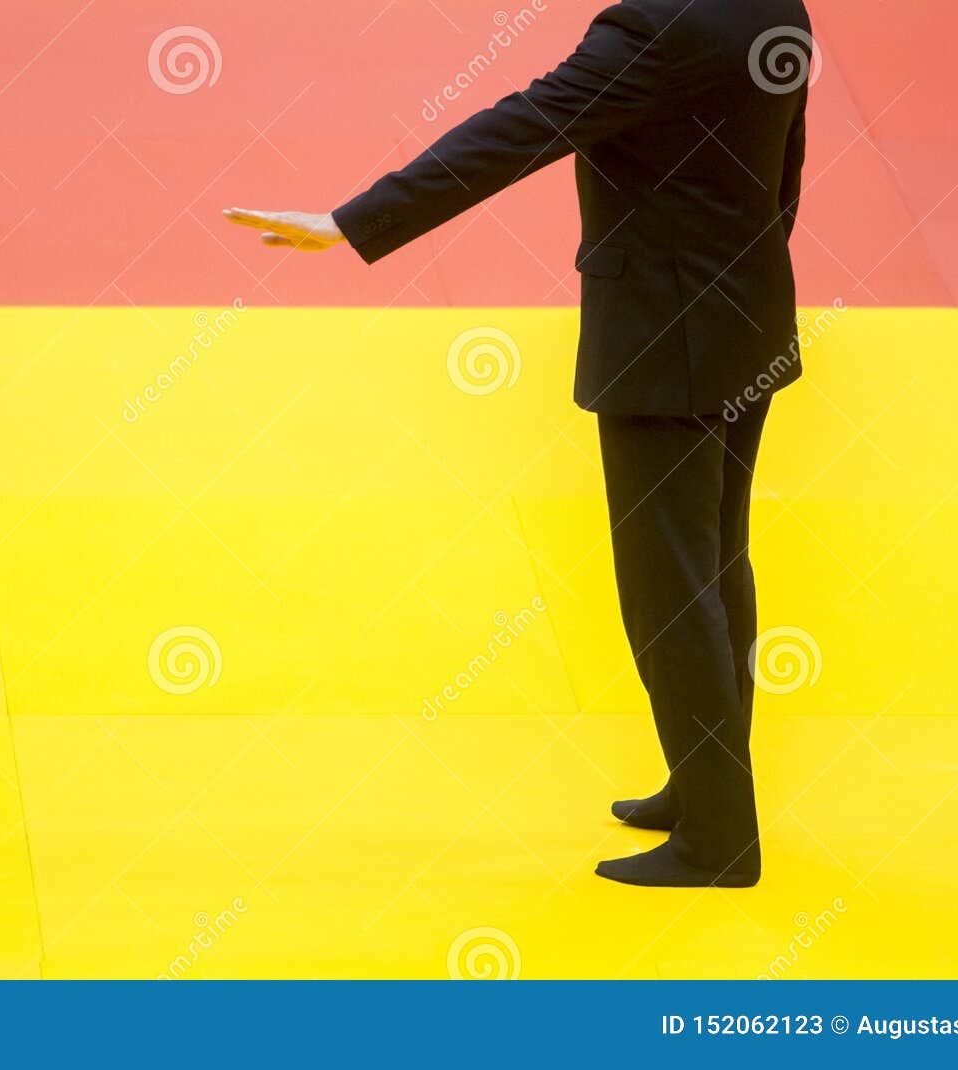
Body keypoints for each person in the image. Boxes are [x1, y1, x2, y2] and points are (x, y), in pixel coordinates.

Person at [224, 0, 811, 888]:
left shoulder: (651, 30)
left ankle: (719, 840)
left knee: (669, 591)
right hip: (749, 315)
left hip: (666, 336)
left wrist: (356, 221)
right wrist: (750, 274)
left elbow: (524, 128)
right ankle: (707, 787)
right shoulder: (773, 5)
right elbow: (786, 165)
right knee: (719, 564)